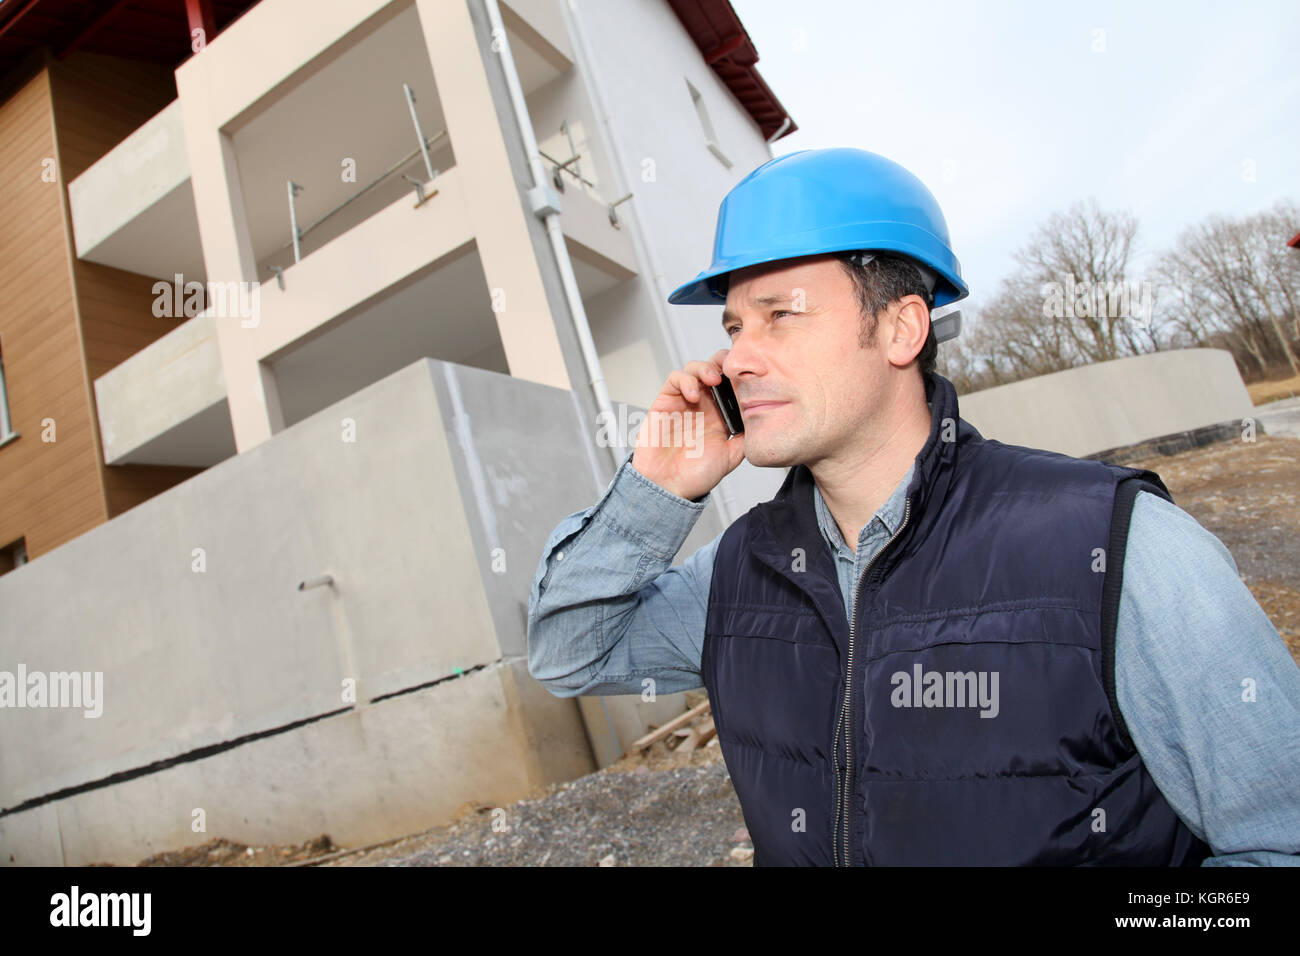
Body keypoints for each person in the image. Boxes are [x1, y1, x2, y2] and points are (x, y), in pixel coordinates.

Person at [526, 148, 1300, 866]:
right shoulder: (741, 571)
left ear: (901, 327)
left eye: (779, 314)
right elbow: (568, 652)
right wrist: (654, 491)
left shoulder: (1113, 547)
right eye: (733, 326)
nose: (736, 356)